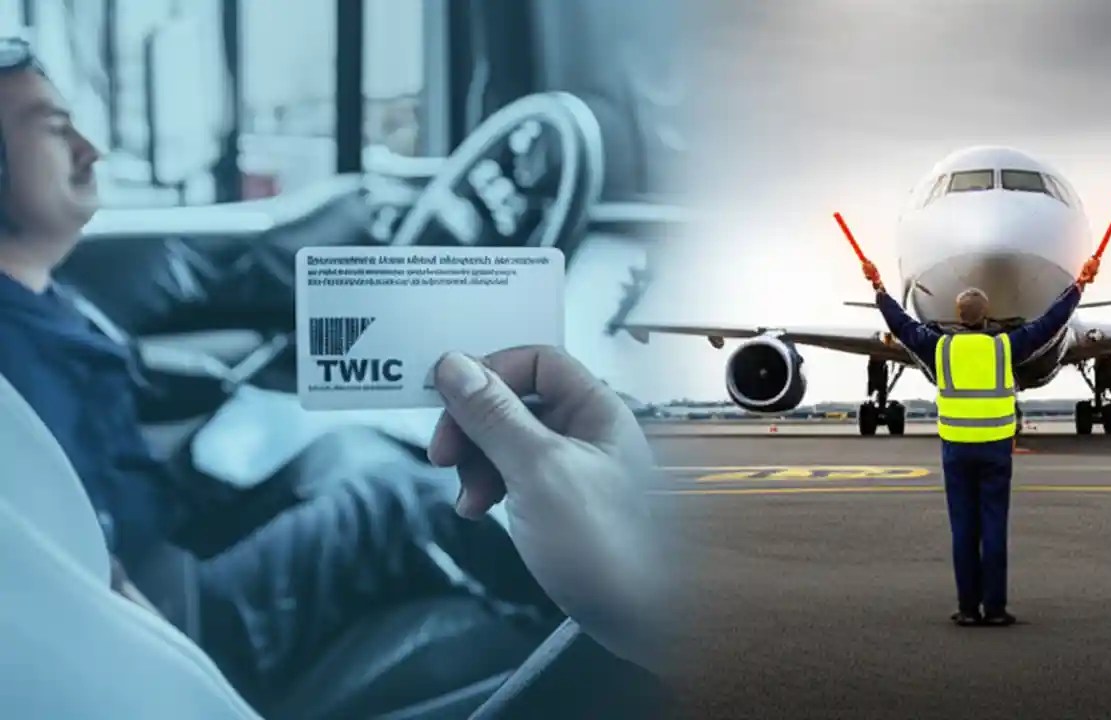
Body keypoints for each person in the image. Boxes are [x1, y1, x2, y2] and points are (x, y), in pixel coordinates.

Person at [0, 34, 666, 710]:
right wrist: (184, 677)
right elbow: (79, 575)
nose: (90, 147)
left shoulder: (44, 298)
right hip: (159, 611)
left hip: (167, 538)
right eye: (56, 131)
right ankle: (607, 653)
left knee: (345, 450)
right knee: (396, 504)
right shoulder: (11, 356)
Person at [861, 255, 1099, 626]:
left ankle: (968, 610)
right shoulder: (1004, 347)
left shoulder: (939, 348)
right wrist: (1080, 286)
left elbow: (902, 325)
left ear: (957, 316)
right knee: (994, 530)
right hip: (995, 451)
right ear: (986, 316)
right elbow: (1050, 324)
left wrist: (878, 289)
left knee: (963, 532)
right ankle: (997, 609)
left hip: (956, 452)